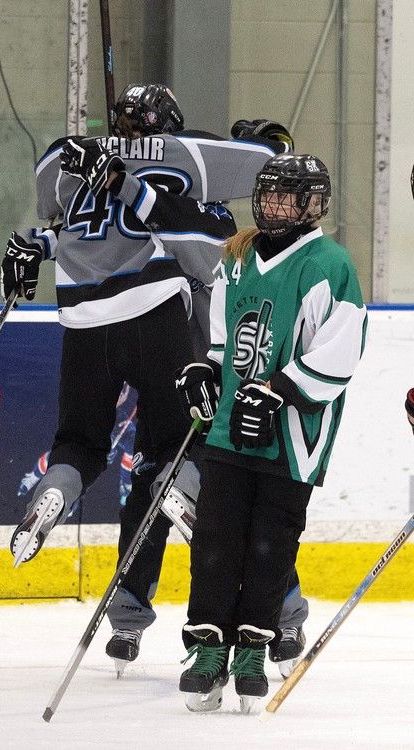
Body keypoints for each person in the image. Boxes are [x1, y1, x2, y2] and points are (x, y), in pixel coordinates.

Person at [2, 84, 306, 675]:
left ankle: (124, 608)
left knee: (101, 456)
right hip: (182, 335)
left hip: (87, 323)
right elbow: (222, 220)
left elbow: (64, 215)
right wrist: (252, 145)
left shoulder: (71, 154)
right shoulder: (193, 173)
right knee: (212, 477)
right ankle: (281, 610)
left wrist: (36, 243)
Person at [177, 153, 366, 714]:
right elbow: (222, 336)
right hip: (230, 428)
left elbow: (344, 345)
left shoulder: (330, 264)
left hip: (292, 435)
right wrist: (206, 370)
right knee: (213, 539)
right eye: (272, 195)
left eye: (290, 197)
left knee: (270, 545)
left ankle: (254, 648)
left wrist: (282, 388)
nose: (277, 205)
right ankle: (208, 646)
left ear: (314, 205)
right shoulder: (235, 257)